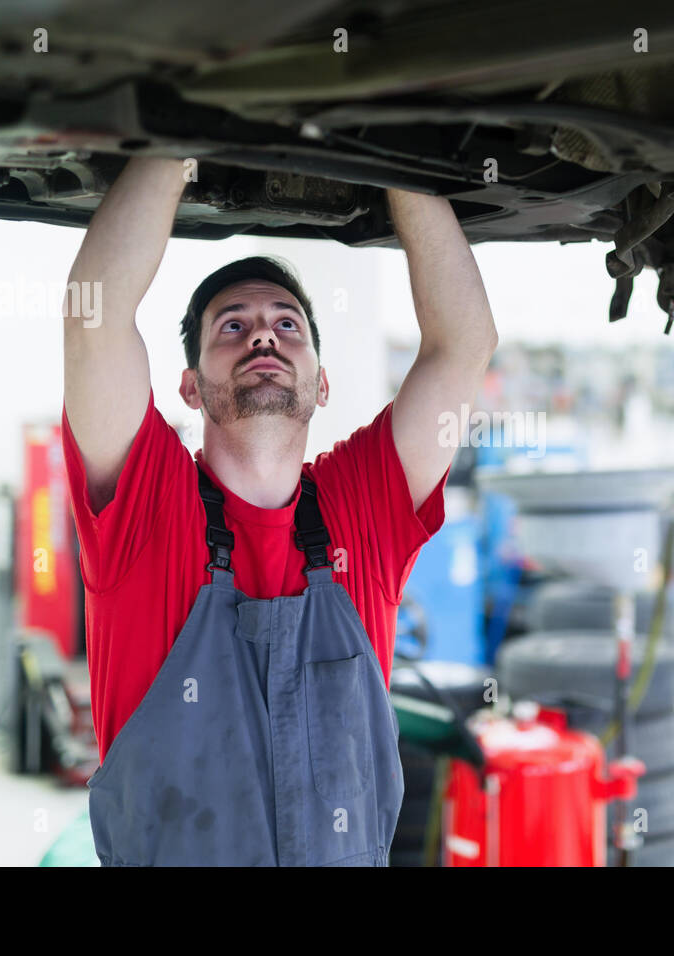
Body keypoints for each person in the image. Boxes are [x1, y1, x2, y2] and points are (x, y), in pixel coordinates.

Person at [60, 157, 498, 866]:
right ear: (191, 388)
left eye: (286, 324)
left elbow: (464, 347)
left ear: (322, 384)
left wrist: (397, 155)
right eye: (231, 326)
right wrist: (177, 137)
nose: (262, 336)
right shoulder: (147, 507)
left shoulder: (366, 507)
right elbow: (93, 316)